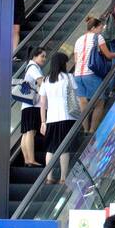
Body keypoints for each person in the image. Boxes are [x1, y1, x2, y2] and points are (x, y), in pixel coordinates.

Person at [73, 16, 115, 132]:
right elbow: (108, 55)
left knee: (83, 105)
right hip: (90, 74)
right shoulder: (98, 37)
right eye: (101, 27)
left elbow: (76, 61)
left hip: (78, 75)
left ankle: (85, 130)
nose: (102, 30)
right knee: (100, 102)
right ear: (94, 28)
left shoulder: (78, 40)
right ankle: (92, 131)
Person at [40, 51, 76, 184]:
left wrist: (43, 121)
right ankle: (63, 178)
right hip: (67, 117)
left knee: (50, 149)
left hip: (51, 119)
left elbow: (43, 102)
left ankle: (49, 177)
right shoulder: (68, 77)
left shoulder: (45, 80)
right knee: (64, 148)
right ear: (62, 64)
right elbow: (75, 96)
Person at [17, 44, 47, 167]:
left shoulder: (29, 67)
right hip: (33, 105)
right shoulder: (33, 67)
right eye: (42, 56)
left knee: (26, 132)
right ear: (35, 56)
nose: (44, 59)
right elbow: (41, 82)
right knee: (30, 132)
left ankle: (27, 159)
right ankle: (31, 159)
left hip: (27, 105)